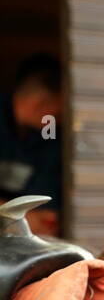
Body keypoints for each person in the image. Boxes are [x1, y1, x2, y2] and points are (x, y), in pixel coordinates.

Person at [0, 53, 63, 236]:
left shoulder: (48, 130)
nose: (58, 121)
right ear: (40, 104)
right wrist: (13, 215)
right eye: (57, 114)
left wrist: (44, 215)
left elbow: (49, 185)